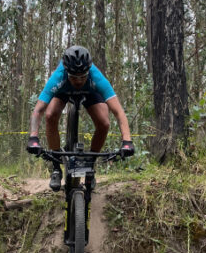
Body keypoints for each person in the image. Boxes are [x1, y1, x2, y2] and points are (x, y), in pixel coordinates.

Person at [26, 46, 135, 192]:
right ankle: (57, 168)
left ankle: (90, 165)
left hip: (91, 92)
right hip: (63, 91)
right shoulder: (59, 77)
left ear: (88, 71)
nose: (78, 81)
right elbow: (38, 110)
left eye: (83, 77)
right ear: (66, 72)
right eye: (73, 77)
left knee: (104, 123)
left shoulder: (96, 77)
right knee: (50, 115)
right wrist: (33, 137)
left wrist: (127, 141)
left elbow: (118, 112)